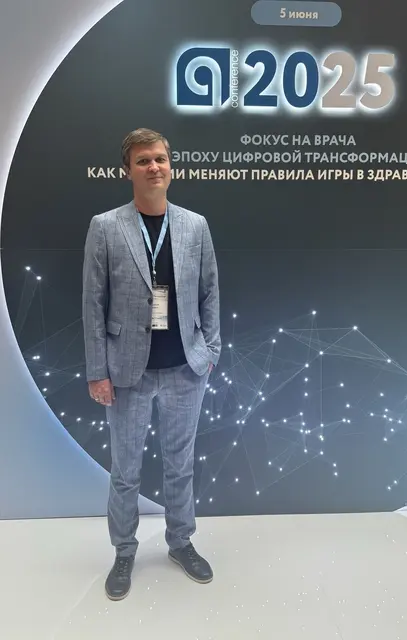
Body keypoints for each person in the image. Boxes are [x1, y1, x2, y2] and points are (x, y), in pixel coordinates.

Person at [82, 128, 221, 601]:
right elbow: (92, 303)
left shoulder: (195, 226)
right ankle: (124, 551)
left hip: (185, 367)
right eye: (143, 161)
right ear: (129, 171)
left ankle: (181, 542)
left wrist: (210, 350)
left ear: (170, 166)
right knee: (126, 471)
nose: (154, 167)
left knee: (180, 464)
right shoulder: (105, 226)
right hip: (127, 372)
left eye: (160, 158)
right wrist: (97, 371)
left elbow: (209, 292)